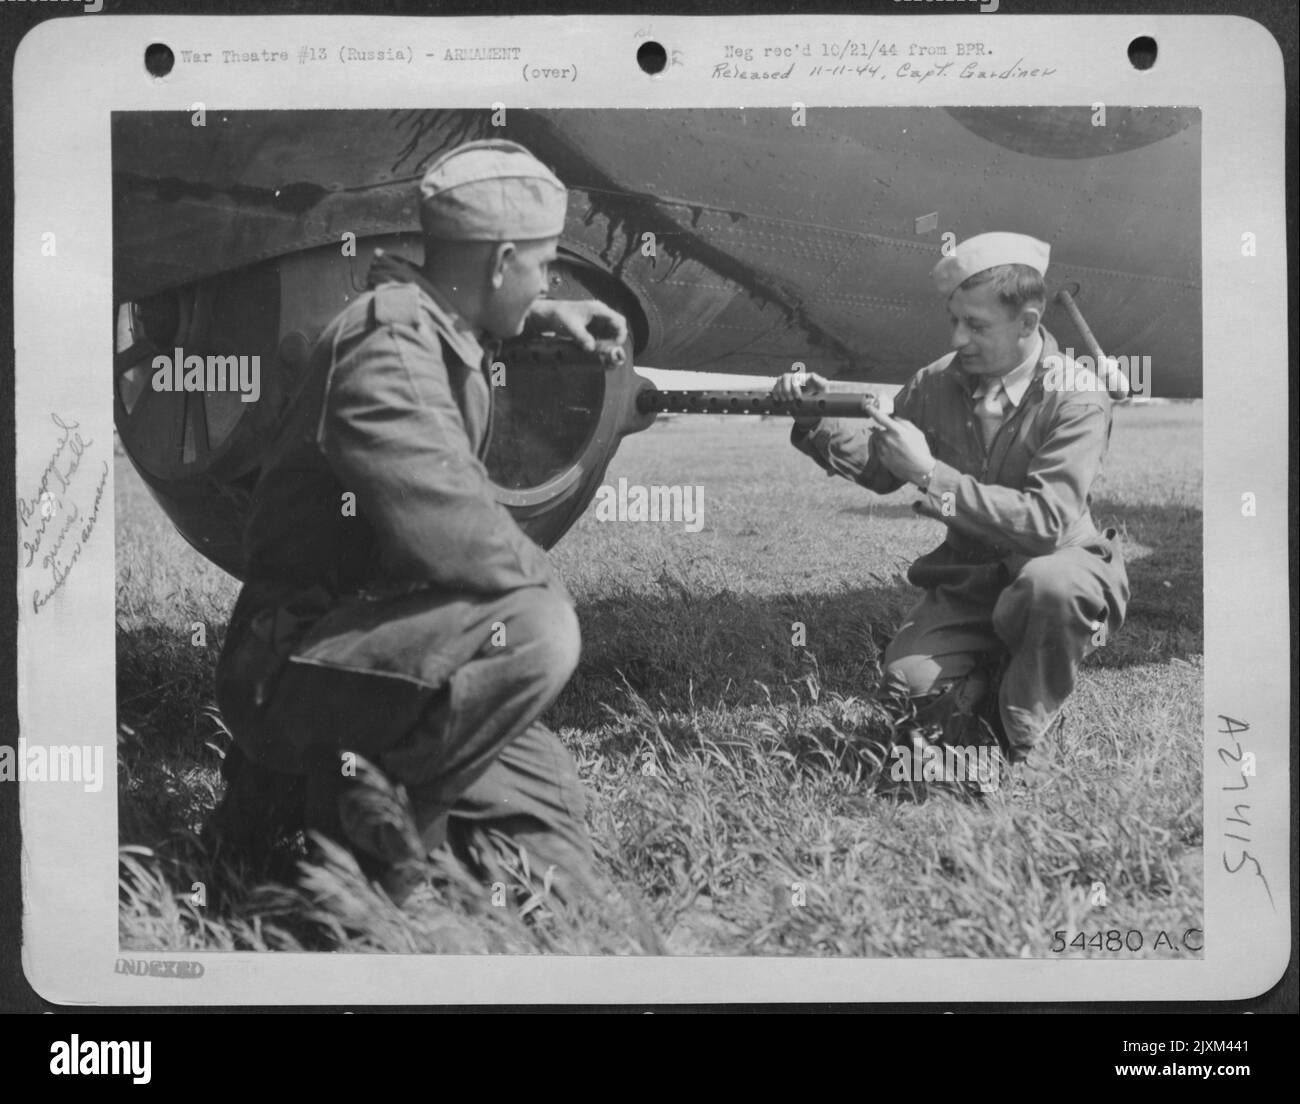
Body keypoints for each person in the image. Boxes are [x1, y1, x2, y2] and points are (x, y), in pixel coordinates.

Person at [209, 139, 628, 903]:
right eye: (539, 266)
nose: (545, 282)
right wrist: (547, 592)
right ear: (499, 261)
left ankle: (283, 803)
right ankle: (362, 855)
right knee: (537, 629)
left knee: (560, 874)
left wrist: (546, 312)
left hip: (375, 651)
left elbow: (459, 316)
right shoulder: (385, 341)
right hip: (292, 662)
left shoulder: (420, 320)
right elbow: (450, 530)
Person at [772, 232, 1129, 772]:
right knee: (905, 687)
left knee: (1049, 589)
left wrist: (929, 473)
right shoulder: (936, 383)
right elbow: (879, 467)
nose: (959, 338)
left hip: (1060, 567)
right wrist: (812, 415)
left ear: (1029, 323)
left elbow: (1046, 523)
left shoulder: (1075, 395)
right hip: (971, 583)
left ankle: (1026, 732)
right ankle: (990, 672)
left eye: (977, 325)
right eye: (954, 320)